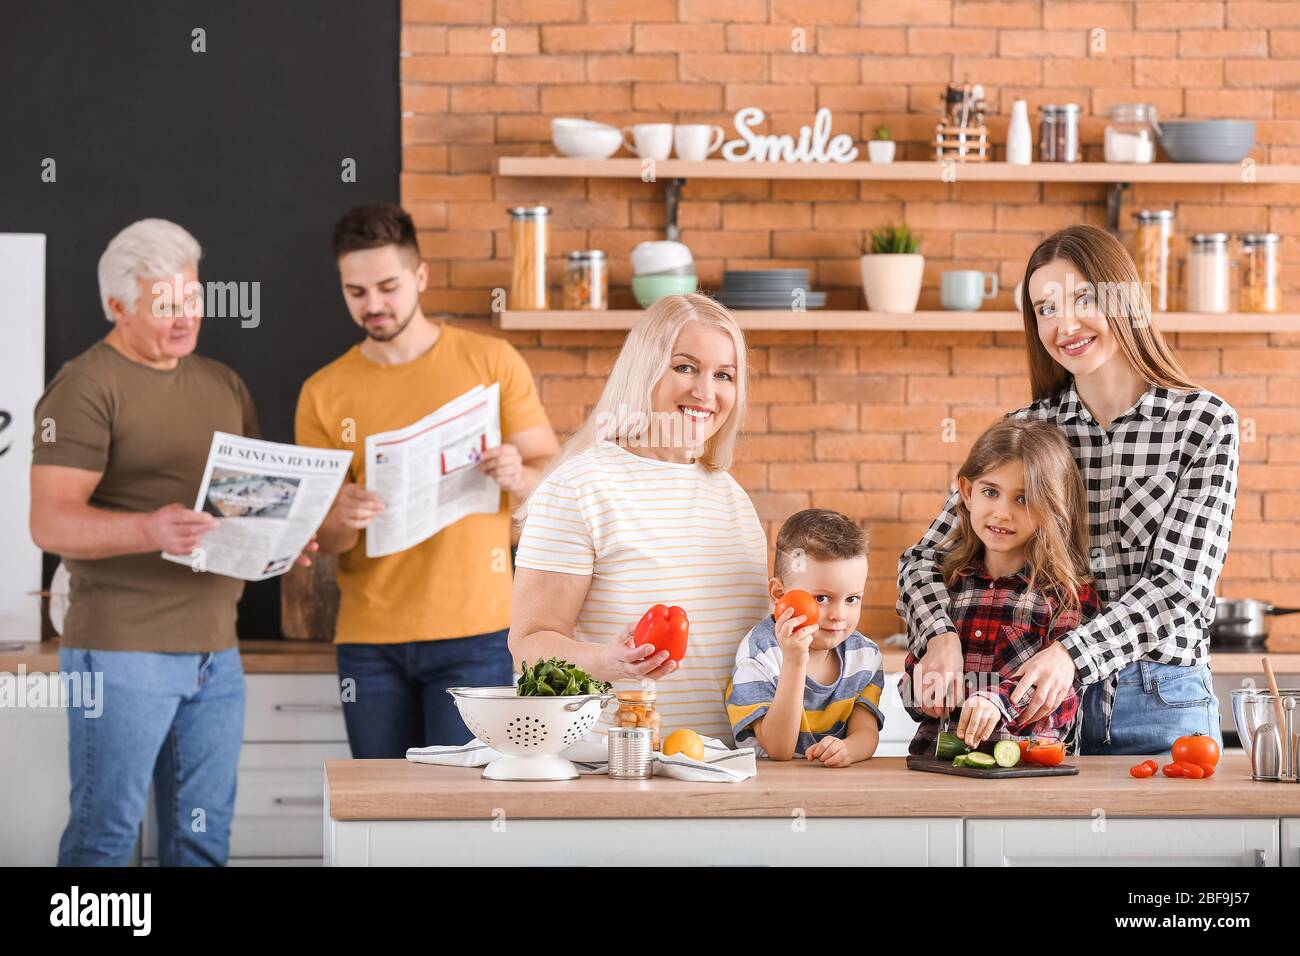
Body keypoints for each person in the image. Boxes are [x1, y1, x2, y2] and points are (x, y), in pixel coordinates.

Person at [900, 224, 1238, 755]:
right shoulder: (1028, 430)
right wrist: (938, 636)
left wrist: (1071, 656)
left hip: (1160, 703)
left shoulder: (1202, 422)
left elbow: (1180, 589)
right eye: (1045, 309)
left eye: (1083, 299)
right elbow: (923, 559)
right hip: (1034, 709)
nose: (1065, 324)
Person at [31, 218, 268, 865]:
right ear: (117, 307)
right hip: (122, 652)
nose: (187, 316)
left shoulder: (222, 384)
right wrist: (149, 529)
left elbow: (243, 501)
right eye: (165, 305)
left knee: (202, 840)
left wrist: (281, 537)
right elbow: (49, 523)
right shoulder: (85, 386)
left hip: (217, 653)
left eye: (193, 298)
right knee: (104, 837)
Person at [295, 204, 558, 757]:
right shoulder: (324, 391)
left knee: (461, 814)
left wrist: (519, 473)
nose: (374, 305)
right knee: (377, 812)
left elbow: (551, 477)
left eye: (388, 287)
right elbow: (324, 541)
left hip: (478, 633)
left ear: (420, 277)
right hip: (369, 642)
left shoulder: (490, 360)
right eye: (356, 292)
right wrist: (339, 519)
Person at [509, 294, 769, 743]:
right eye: (685, 367)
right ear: (644, 370)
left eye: (723, 375)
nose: (706, 392)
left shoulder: (732, 499)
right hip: (618, 765)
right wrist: (607, 661)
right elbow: (529, 647)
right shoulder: (580, 488)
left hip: (724, 766)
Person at [899, 420, 1102, 755]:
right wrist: (923, 689)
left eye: (1023, 499)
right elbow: (912, 692)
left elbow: (1062, 705)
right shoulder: (947, 586)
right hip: (936, 771)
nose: (1002, 512)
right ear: (966, 491)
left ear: (1051, 505)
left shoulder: (1068, 596)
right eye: (990, 492)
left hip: (1025, 777)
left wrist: (995, 701)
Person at [726, 509, 884, 766]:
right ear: (779, 594)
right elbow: (779, 749)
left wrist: (848, 750)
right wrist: (795, 662)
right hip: (766, 788)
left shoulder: (865, 656)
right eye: (821, 598)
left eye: (852, 599)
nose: (838, 615)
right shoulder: (759, 653)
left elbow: (866, 733)